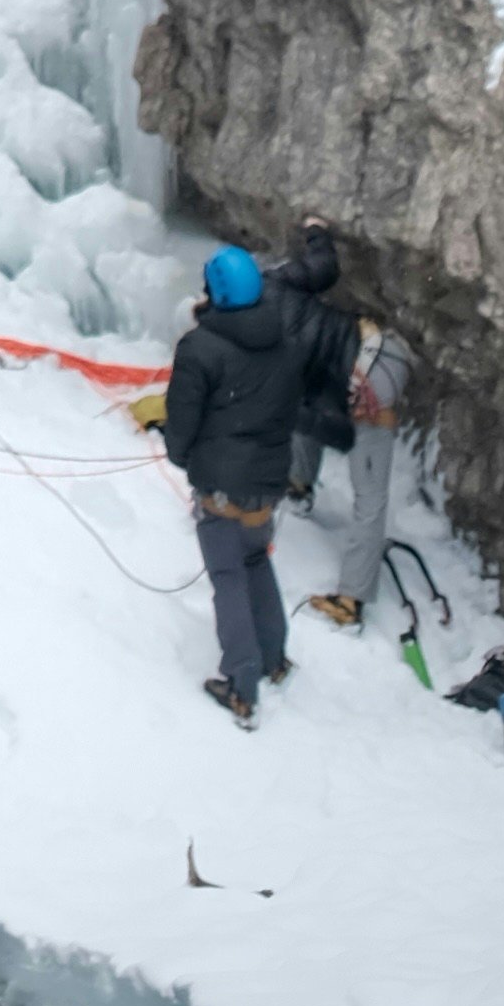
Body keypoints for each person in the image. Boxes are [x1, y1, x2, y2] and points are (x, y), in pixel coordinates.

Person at [162, 242, 304, 724]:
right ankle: (274, 657)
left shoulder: (199, 348)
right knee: (254, 560)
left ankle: (242, 684)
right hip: (266, 481)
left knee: (228, 576)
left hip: (221, 483)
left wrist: (182, 457)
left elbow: (181, 419)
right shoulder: (283, 341)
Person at [308, 314, 412, 627]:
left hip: (366, 419)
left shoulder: (318, 346)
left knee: (369, 503)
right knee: (370, 500)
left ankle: (352, 598)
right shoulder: (354, 342)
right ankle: (353, 594)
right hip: (373, 417)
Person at [280, 221, 362, 514]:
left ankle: (299, 489)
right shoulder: (274, 282)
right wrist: (316, 231)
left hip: (348, 363)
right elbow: (323, 265)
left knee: (303, 415)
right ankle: (298, 486)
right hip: (347, 350)